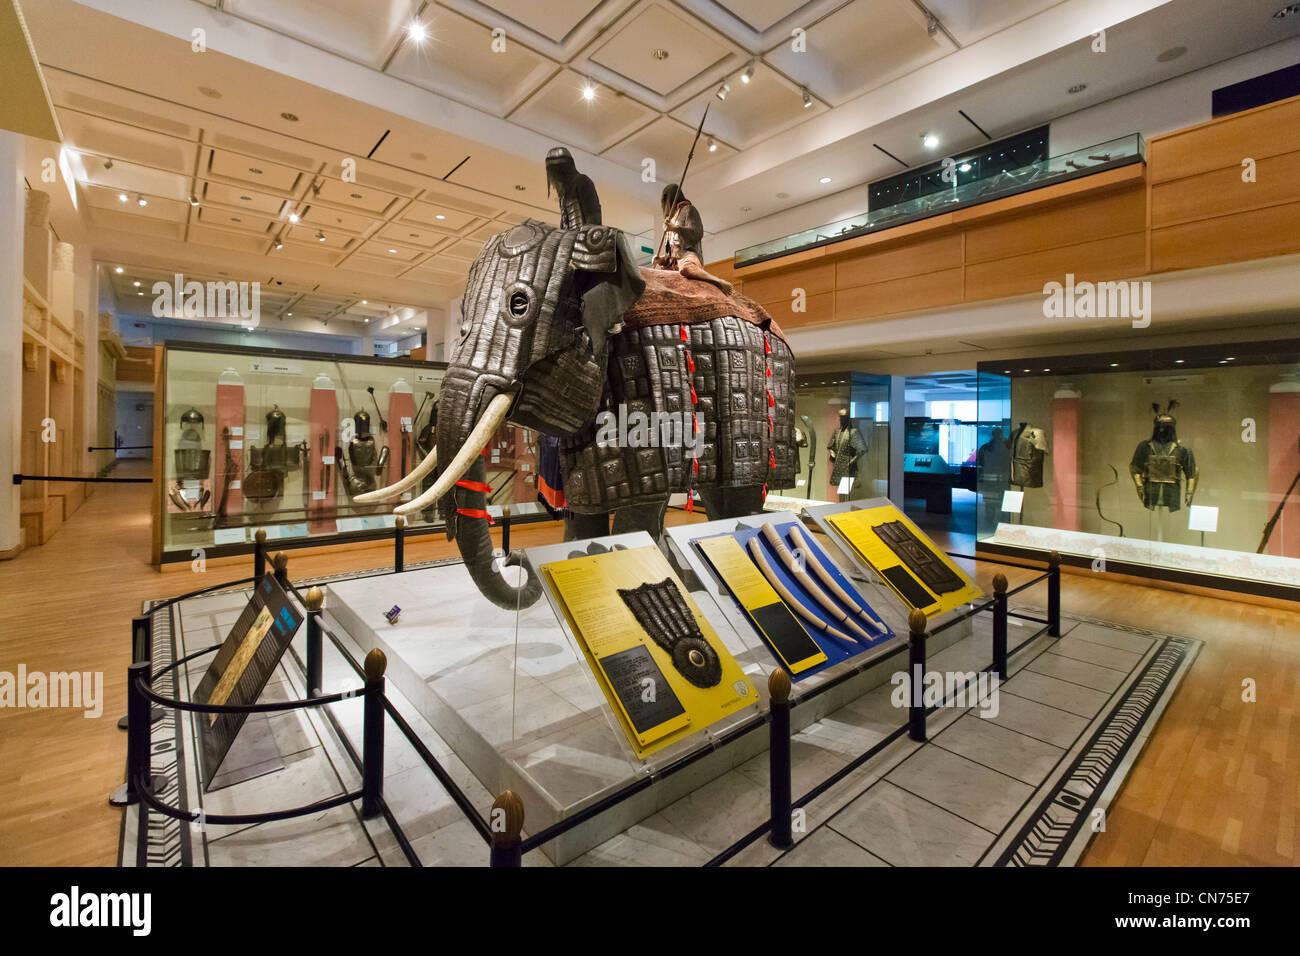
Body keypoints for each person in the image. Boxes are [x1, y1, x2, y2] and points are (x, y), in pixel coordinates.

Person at [653, 183, 733, 294]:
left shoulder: (689, 210)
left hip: (688, 255)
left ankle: (717, 281)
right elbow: (673, 250)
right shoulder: (669, 221)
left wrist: (675, 228)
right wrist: (662, 259)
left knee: (686, 268)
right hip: (674, 262)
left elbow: (696, 233)